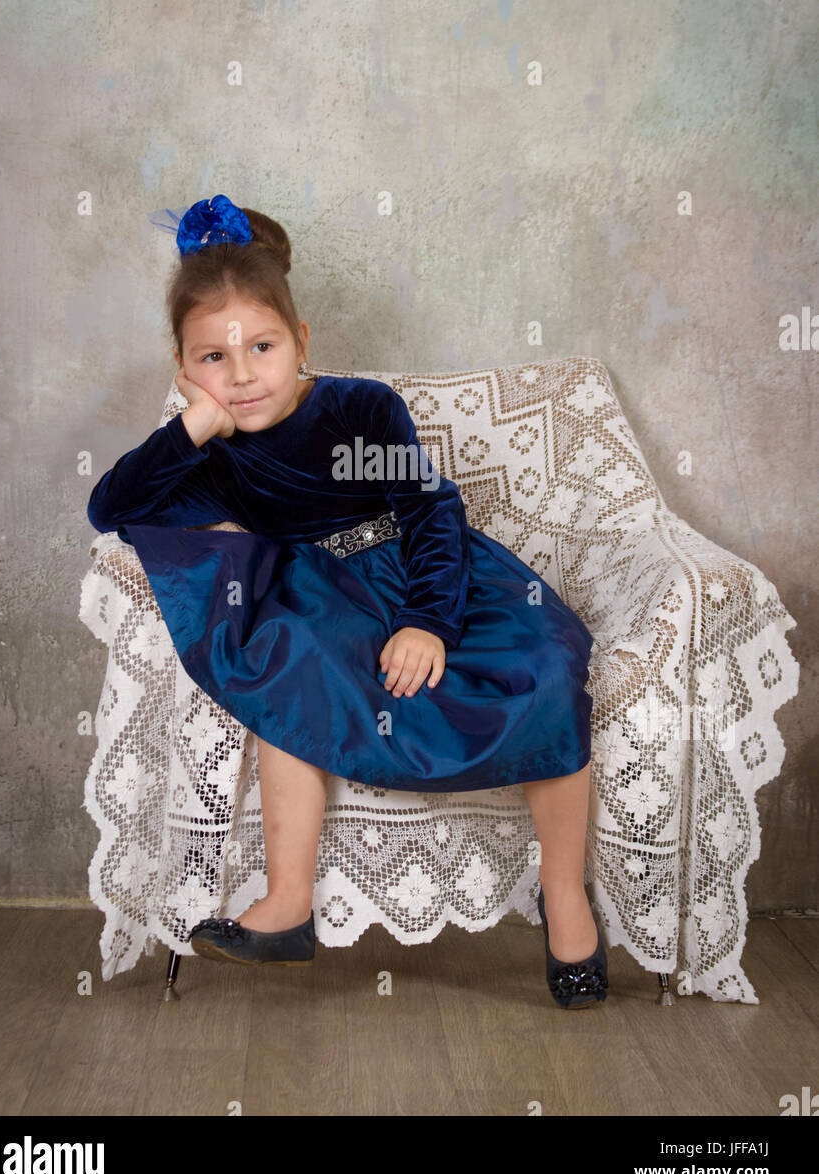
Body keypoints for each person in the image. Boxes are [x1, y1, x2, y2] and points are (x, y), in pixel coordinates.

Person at [86, 194, 608, 1007]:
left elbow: (430, 509)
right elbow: (111, 507)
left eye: (260, 347)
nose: (241, 373)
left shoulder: (356, 410)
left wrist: (428, 622)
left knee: (545, 668)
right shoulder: (212, 452)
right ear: (184, 367)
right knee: (285, 663)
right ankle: (287, 903)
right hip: (326, 598)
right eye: (212, 357)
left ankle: (566, 894)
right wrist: (191, 427)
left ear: (301, 342)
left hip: (423, 573)